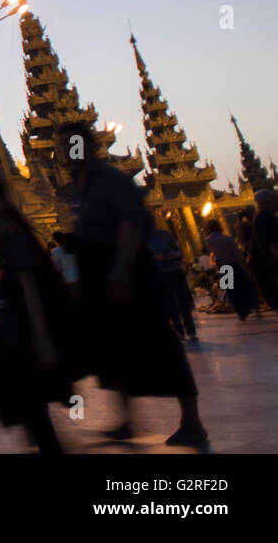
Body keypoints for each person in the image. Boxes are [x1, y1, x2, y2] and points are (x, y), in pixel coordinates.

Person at [55, 120, 206, 446]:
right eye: (64, 145)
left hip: (130, 273)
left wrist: (121, 270)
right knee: (113, 350)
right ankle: (126, 420)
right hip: (100, 277)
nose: (68, 150)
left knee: (161, 346)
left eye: (74, 143)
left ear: (90, 146)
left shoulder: (110, 180)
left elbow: (130, 226)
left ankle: (192, 421)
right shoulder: (79, 187)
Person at [0, 173, 82, 454]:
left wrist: (42, 338)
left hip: (22, 333)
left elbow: (29, 286)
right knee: (22, 404)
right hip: (0, 333)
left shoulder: (10, 235)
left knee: (34, 407)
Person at [149, 226, 197, 342]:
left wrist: (174, 254)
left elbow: (178, 250)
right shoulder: (143, 237)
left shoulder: (164, 234)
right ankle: (181, 331)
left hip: (173, 270)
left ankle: (188, 331)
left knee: (181, 301)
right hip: (163, 273)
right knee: (171, 302)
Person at [203, 220, 257, 320]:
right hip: (233, 264)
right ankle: (252, 307)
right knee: (244, 286)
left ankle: (241, 312)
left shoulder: (208, 239)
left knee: (231, 290)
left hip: (223, 265)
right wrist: (243, 264)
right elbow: (238, 254)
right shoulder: (228, 239)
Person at [251, 190, 278, 311]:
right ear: (267, 202)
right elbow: (273, 243)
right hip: (230, 266)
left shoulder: (260, 216)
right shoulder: (265, 217)